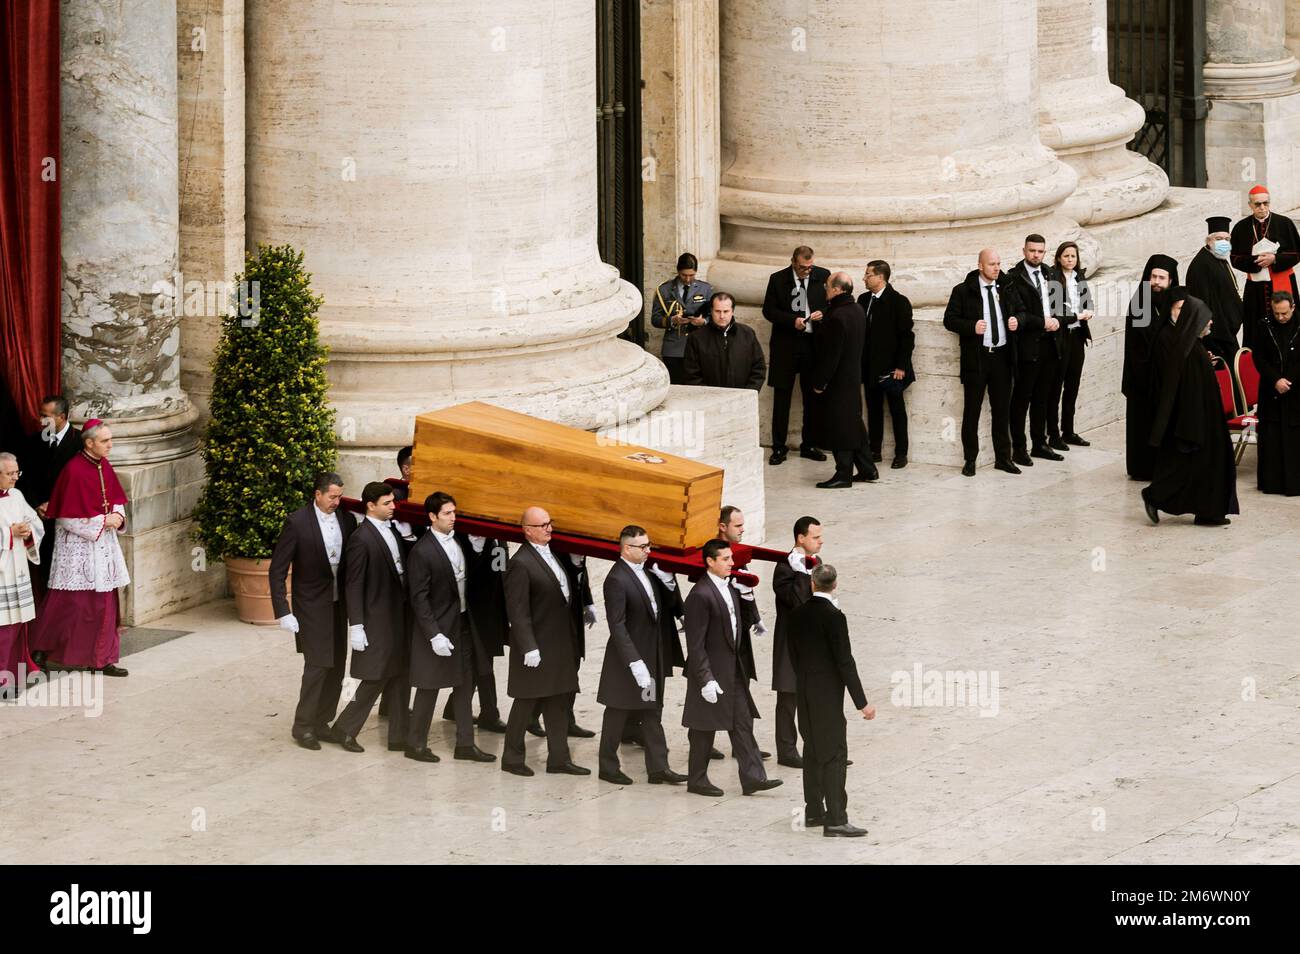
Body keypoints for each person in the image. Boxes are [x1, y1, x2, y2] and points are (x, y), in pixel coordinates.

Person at [28, 420, 130, 677]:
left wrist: (118, 516)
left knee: (105, 603)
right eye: (105, 440)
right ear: (89, 443)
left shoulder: (104, 465)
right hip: (77, 549)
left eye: (110, 439)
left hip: (104, 546)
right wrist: (101, 522)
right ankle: (42, 649)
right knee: (69, 603)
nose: (110, 444)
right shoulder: (73, 470)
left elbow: (116, 500)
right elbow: (64, 516)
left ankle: (102, 659)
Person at [681, 539, 782, 797]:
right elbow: (696, 644)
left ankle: (753, 778)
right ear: (710, 562)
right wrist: (705, 679)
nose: (731, 563)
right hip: (712, 675)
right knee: (703, 729)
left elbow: (738, 626)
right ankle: (697, 780)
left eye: (731, 558)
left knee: (743, 723)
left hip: (733, 671)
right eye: (725, 559)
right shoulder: (700, 596)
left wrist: (748, 599)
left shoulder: (730, 588)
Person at [406, 491, 496, 763]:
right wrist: (434, 635)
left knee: (464, 683)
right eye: (447, 513)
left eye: (454, 512)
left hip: (463, 623)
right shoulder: (422, 551)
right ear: (432, 517)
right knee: (429, 687)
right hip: (438, 629)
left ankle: (465, 744)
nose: (453, 517)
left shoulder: (458, 540)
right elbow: (419, 599)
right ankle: (416, 745)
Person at [787, 563, 875, 837]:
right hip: (827, 696)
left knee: (812, 749)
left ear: (812, 584)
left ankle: (813, 810)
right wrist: (862, 703)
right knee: (835, 754)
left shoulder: (797, 614)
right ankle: (836, 818)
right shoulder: (835, 617)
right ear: (834, 585)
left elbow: (793, 654)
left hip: (805, 692)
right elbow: (844, 662)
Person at [500, 506, 590, 777]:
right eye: (542, 525)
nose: (549, 528)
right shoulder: (520, 563)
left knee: (558, 702)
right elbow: (517, 610)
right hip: (536, 647)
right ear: (527, 530)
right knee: (526, 702)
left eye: (550, 523)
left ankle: (559, 759)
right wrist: (528, 646)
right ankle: (512, 759)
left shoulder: (553, 556)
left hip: (559, 645)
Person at [595, 525, 688, 785]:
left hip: (652, 654)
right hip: (627, 662)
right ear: (627, 548)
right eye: (643, 547)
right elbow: (618, 625)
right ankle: (608, 766)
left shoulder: (649, 570)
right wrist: (635, 663)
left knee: (651, 711)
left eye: (649, 545)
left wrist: (668, 582)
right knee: (616, 713)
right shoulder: (616, 579)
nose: (648, 550)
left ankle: (659, 768)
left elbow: (665, 607)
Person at [270, 472, 354, 750]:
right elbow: (278, 570)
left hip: (339, 605)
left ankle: (322, 721)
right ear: (317, 494)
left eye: (340, 496)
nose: (337, 502)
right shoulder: (297, 522)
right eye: (332, 496)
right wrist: (283, 610)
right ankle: (303, 725)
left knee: (337, 665)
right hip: (310, 607)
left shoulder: (346, 519)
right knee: (317, 665)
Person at [1141, 297, 1239, 527]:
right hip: (1199, 422)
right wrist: (1196, 426)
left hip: (1207, 420)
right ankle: (1156, 497)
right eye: (1206, 320)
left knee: (1204, 469)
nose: (1211, 323)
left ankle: (1208, 512)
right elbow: (1188, 393)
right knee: (1191, 468)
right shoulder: (1187, 349)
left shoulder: (1193, 347)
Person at [330, 481, 411, 752]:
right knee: (375, 677)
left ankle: (399, 736)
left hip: (397, 617)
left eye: (393, 502)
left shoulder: (393, 531)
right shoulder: (361, 539)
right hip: (376, 620)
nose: (393, 507)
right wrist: (358, 626)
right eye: (387, 503)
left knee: (400, 675)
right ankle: (344, 728)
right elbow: (353, 585)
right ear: (371, 506)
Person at [943, 249, 1024, 476]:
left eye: (998, 264)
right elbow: (949, 320)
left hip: (1002, 357)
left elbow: (1022, 311)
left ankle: (1003, 458)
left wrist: (1018, 320)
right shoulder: (963, 290)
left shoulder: (1007, 287)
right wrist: (971, 327)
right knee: (972, 411)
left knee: (1001, 411)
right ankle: (970, 459)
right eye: (991, 264)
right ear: (980, 265)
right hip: (977, 359)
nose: (996, 268)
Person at [810, 272, 877, 488]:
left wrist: (820, 383)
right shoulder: (856, 310)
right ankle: (868, 469)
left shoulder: (837, 316)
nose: (825, 289)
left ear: (837, 289)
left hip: (838, 382)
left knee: (841, 427)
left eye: (828, 286)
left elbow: (831, 355)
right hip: (852, 377)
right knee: (853, 423)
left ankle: (844, 474)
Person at [762, 246, 828, 465]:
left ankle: (809, 444)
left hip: (812, 345)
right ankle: (779, 447)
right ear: (792, 262)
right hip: (786, 345)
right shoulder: (777, 279)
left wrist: (822, 315)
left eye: (810, 267)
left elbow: (832, 305)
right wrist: (792, 321)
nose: (807, 272)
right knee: (782, 397)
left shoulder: (822, 276)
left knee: (812, 397)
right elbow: (769, 311)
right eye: (802, 268)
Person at [771, 515, 823, 769]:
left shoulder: (815, 562)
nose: (820, 541)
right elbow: (797, 603)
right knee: (788, 699)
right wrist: (802, 574)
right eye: (815, 537)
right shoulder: (784, 568)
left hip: (812, 641)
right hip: (790, 642)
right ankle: (787, 750)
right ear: (800, 538)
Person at [1122, 254, 1179, 481]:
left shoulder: (1174, 302)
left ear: (1171, 281)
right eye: (1153, 277)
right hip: (1142, 377)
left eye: (1161, 278)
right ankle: (1142, 468)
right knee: (1142, 424)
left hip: (1163, 376)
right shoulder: (1140, 303)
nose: (1156, 282)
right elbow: (1144, 341)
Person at [16, 395, 79, 598]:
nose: (41, 421)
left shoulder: (79, 442)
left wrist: (56, 504)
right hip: (41, 518)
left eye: (46, 416)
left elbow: (81, 483)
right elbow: (25, 479)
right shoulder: (34, 441)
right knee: (45, 572)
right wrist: (36, 505)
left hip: (69, 518)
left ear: (61, 417)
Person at [1007, 234, 1059, 464]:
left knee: (1043, 398)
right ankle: (1019, 448)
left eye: (1040, 251)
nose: (1036, 255)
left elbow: (1060, 303)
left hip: (1050, 343)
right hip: (1028, 346)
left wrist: (1059, 321)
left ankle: (1040, 443)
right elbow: (1019, 314)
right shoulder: (1013, 278)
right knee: (1022, 399)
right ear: (1024, 251)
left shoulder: (1050, 273)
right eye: (1032, 251)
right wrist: (1042, 322)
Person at [857, 260, 914, 468]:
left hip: (892, 369)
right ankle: (875, 450)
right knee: (873, 409)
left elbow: (906, 337)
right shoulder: (863, 300)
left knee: (897, 410)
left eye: (868, 275)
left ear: (880, 277)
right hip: (869, 366)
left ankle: (901, 453)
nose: (864, 278)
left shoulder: (899, 302)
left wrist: (901, 366)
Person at [1231, 184, 1300, 350]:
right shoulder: (1241, 227)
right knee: (1256, 328)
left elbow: (1297, 254)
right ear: (1250, 205)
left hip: (1284, 284)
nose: (1262, 207)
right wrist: (1256, 262)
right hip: (1256, 289)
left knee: (1288, 323)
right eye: (1257, 204)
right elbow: (1235, 259)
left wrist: (1274, 259)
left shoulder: (1284, 223)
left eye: (1266, 203)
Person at [0, 452, 43, 697]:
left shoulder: (16, 495)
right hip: (2, 571)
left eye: (17, 473)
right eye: (10, 474)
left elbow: (34, 521)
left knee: (18, 623)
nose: (15, 478)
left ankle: (15, 671)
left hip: (17, 568)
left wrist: (27, 532)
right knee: (3, 628)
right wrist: (8, 533)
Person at [1254, 291, 1300, 496]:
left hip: (1296, 390)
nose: (1280, 318)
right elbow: (1259, 358)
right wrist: (1276, 380)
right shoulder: (1263, 325)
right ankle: (1272, 483)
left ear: (1292, 308)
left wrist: (1290, 380)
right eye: (1276, 313)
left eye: (1284, 314)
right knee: (1272, 436)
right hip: (1271, 389)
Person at [1051, 241, 1094, 447]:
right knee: (1056, 385)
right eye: (1066, 256)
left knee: (1072, 385)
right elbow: (1057, 309)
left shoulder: (1080, 277)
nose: (1070, 259)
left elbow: (1088, 301)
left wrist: (1089, 311)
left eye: (1073, 256)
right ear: (1059, 257)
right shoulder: (1053, 278)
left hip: (1077, 335)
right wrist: (1078, 314)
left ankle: (1068, 430)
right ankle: (1053, 434)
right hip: (1061, 337)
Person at [1186, 216, 1244, 363]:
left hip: (1226, 332)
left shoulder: (1218, 258)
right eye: (1219, 239)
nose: (1224, 243)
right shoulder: (1201, 265)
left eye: (1227, 239)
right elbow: (1202, 304)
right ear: (1209, 241)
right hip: (1216, 336)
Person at [682, 291, 766, 390]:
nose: (722, 316)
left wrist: (748, 392)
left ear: (732, 311)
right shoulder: (696, 338)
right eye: (717, 311)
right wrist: (708, 397)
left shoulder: (747, 333)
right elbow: (691, 374)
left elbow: (758, 367)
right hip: (709, 401)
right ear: (711, 311)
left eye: (726, 311)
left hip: (742, 399)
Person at [650, 252, 712, 384]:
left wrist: (703, 321)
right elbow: (655, 319)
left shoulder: (705, 289)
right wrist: (672, 320)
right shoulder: (664, 290)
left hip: (698, 347)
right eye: (684, 275)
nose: (688, 279)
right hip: (673, 348)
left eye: (692, 275)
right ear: (678, 271)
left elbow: (713, 316)